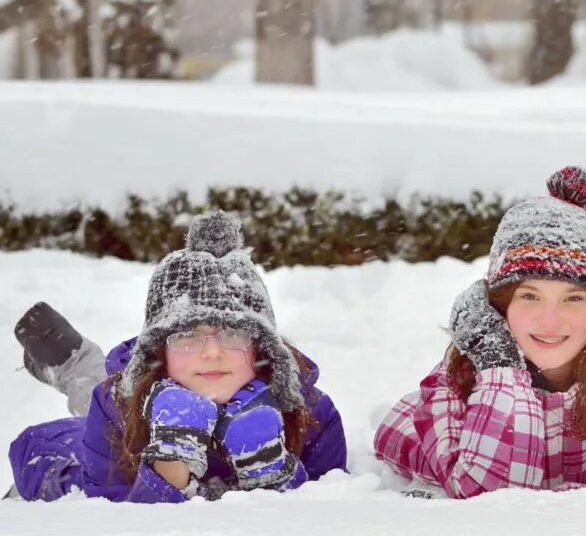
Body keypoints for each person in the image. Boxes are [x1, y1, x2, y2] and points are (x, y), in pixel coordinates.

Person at [374, 166, 586, 497]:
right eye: (530, 297)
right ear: (499, 307)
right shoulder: (455, 387)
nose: (550, 321)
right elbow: (491, 499)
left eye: (573, 299)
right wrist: (501, 369)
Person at [8, 213, 346, 502]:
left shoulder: (311, 414)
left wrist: (270, 468)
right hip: (132, 406)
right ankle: (80, 369)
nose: (212, 351)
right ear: (160, 351)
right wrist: (171, 457)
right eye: (186, 336)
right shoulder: (113, 407)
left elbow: (318, 523)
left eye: (233, 334)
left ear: (263, 347)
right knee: (77, 456)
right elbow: (113, 518)